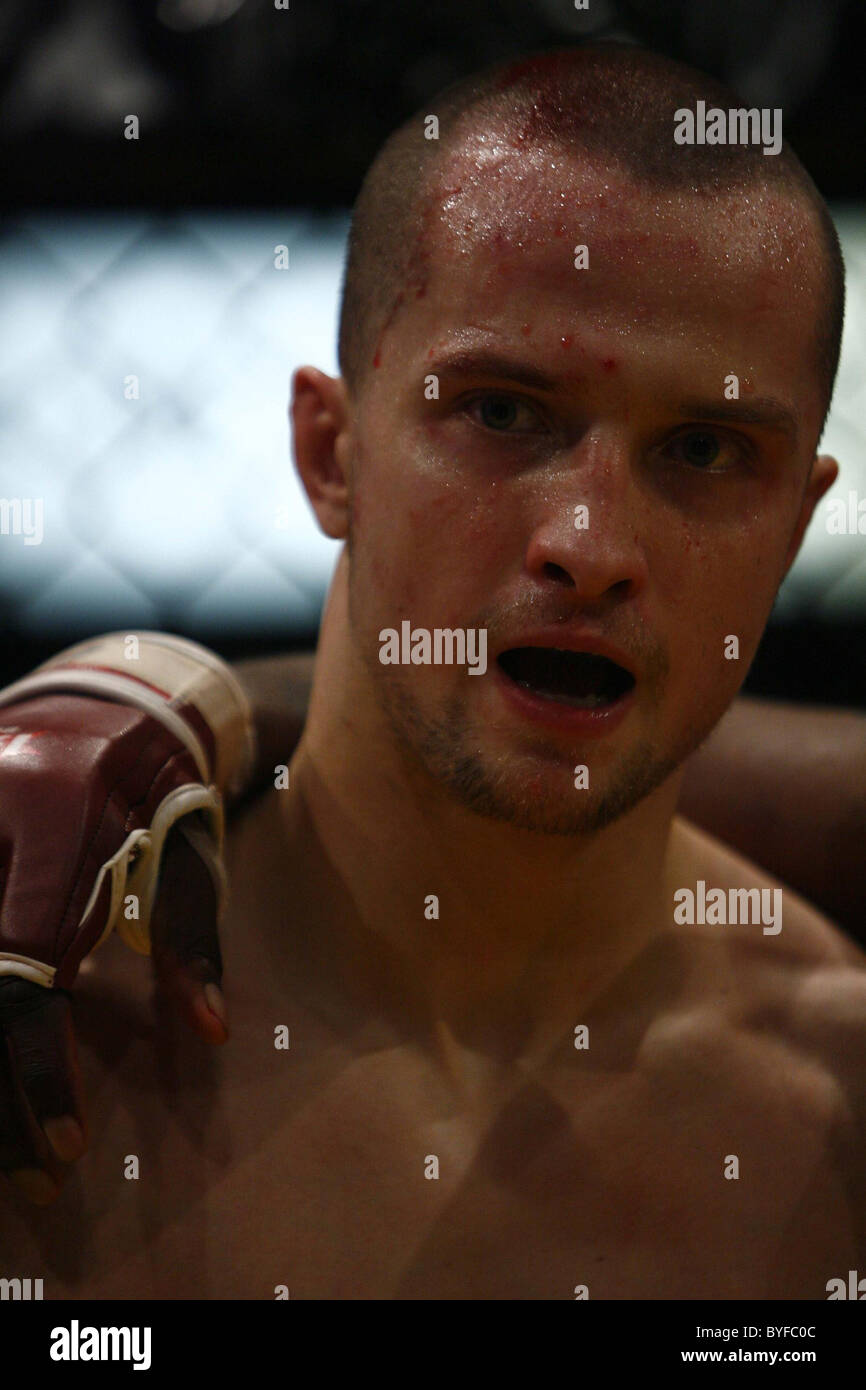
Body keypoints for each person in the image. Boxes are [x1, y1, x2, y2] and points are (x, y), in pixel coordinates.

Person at [1, 40, 864, 1299]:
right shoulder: (47, 1015)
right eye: (502, 412)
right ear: (328, 452)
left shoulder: (833, 1115)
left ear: (793, 525)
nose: (589, 546)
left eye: (703, 447)